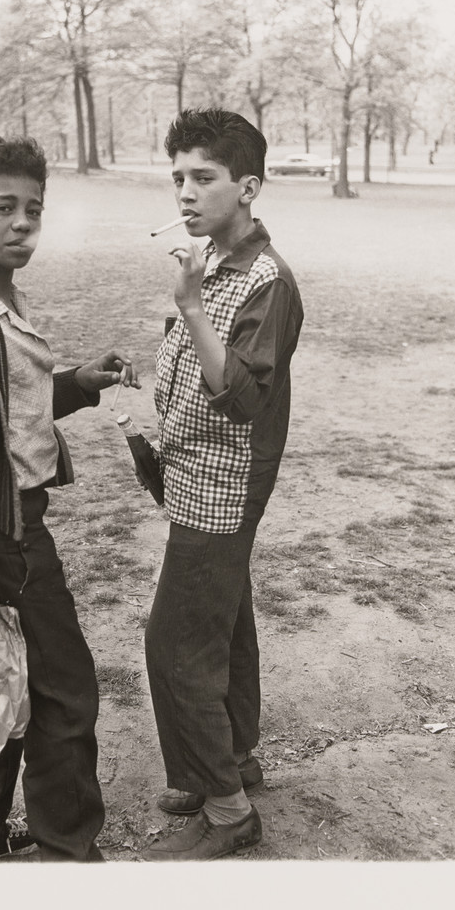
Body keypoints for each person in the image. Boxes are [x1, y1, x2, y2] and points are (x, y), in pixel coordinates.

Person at [0, 135, 138, 863]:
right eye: (2, 207)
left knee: (0, 688)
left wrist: (75, 382)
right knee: (59, 693)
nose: (20, 223)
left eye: (33, 209)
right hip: (0, 541)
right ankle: (65, 846)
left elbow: (11, 415)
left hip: (17, 529)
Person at [142, 108, 304, 862]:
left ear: (247, 186)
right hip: (196, 473)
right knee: (224, 626)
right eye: (177, 177)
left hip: (225, 483)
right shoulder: (215, 262)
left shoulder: (266, 280)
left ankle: (228, 808)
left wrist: (186, 305)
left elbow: (241, 395)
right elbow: (194, 366)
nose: (184, 192)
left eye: (201, 178)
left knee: (176, 643)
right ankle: (233, 760)